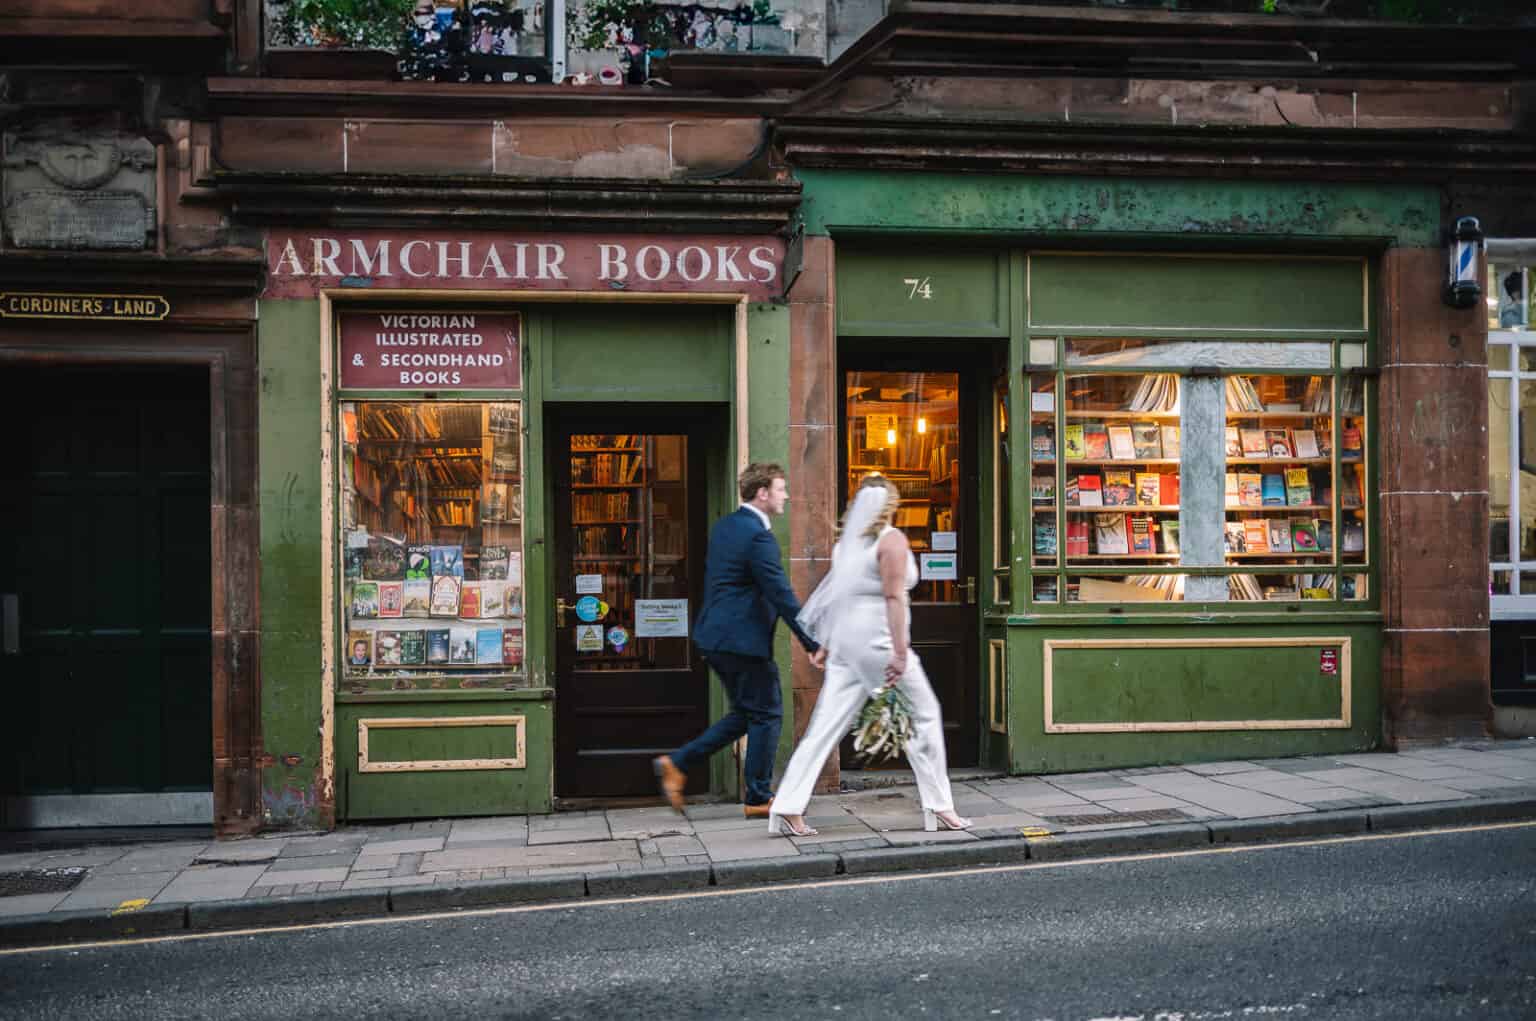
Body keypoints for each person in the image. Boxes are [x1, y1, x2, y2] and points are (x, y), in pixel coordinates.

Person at [768, 473, 971, 837]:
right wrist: (898, 651)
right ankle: (940, 807)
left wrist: (826, 643)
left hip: (846, 641)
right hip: (876, 639)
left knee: (824, 727)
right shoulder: (890, 540)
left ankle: (787, 807)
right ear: (891, 505)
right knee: (924, 715)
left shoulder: (846, 545)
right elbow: (894, 598)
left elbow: (836, 594)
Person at [653, 463, 826, 817]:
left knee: (746, 713)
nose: (786, 496)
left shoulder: (727, 526)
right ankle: (759, 797)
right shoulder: (757, 536)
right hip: (741, 641)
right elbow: (780, 592)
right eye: (780, 489)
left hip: (716, 637)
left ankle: (678, 763)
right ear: (762, 493)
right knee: (768, 714)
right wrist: (812, 642)